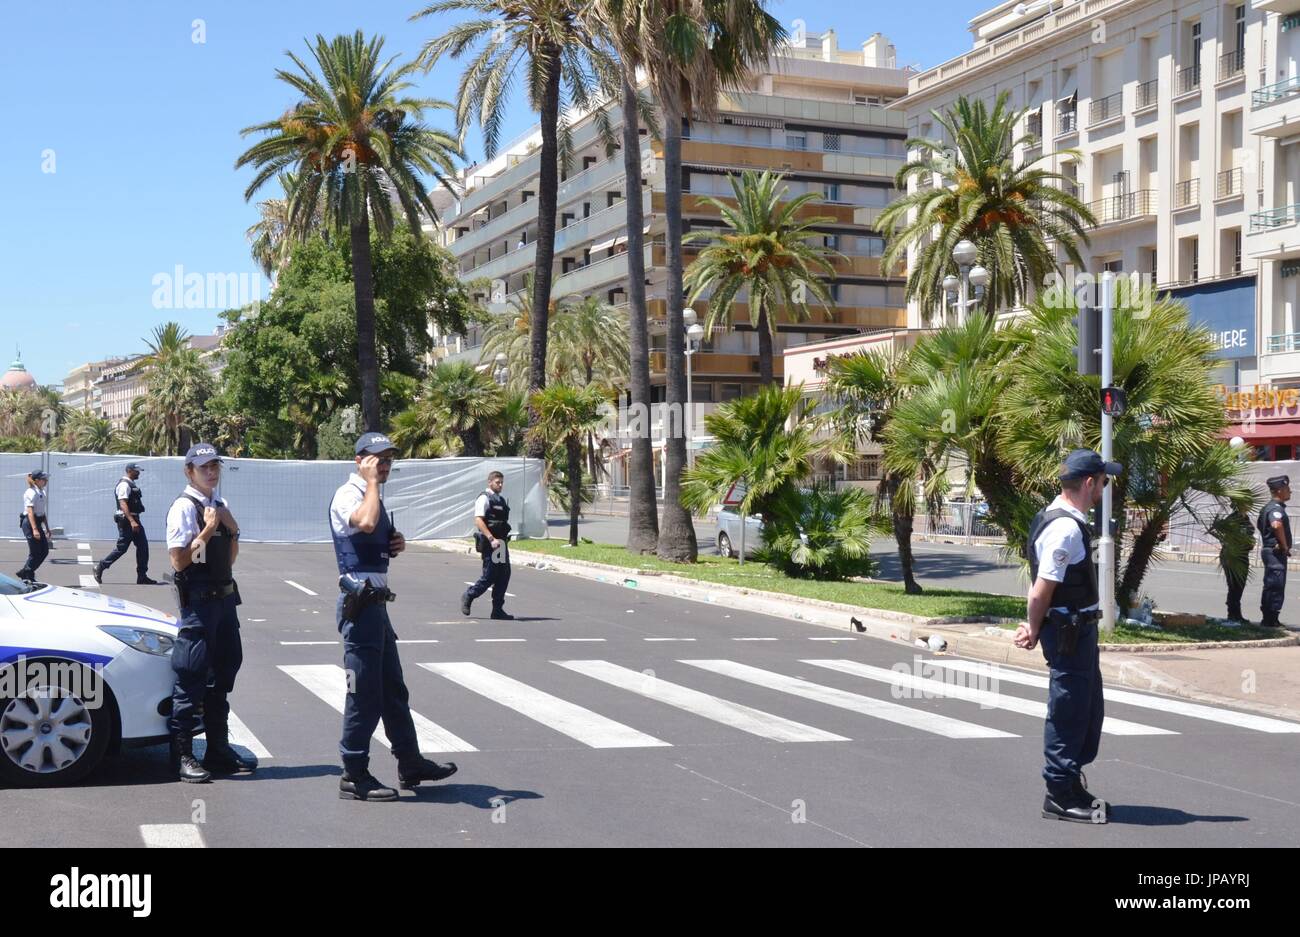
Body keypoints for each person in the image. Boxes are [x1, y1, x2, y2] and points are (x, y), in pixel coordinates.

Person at [329, 432, 458, 801]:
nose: (383, 465)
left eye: (388, 459)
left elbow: (372, 538)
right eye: (376, 459)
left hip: (377, 607)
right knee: (363, 693)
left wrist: (393, 544)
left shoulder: (373, 495)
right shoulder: (349, 494)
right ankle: (353, 773)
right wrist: (371, 484)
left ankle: (410, 761)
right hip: (360, 608)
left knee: (393, 691)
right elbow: (365, 524)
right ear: (359, 461)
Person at [1015, 448, 1122, 824]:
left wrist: (1035, 625)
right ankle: (1059, 793)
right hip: (1068, 633)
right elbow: (1041, 590)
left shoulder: (1065, 519)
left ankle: (1071, 783)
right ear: (1089, 483)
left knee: (1088, 709)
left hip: (1077, 630)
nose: (1105, 488)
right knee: (1068, 711)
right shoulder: (1063, 527)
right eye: (1104, 482)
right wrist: (1033, 626)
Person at [165, 443, 256, 783]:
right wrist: (206, 530)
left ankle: (218, 750)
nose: (211, 472)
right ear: (189, 471)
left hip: (225, 600)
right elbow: (178, 561)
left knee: (222, 676)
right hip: (199, 604)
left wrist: (231, 530)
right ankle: (184, 754)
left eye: (214, 465)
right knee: (191, 677)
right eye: (203, 467)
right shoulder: (183, 508)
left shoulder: (219, 505)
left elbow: (230, 558)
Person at [461, 470, 513, 620]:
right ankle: (469, 595)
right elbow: (478, 520)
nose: (501, 485)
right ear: (490, 482)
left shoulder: (501, 500)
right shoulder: (484, 498)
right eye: (498, 482)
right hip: (491, 543)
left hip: (501, 543)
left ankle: (497, 610)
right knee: (489, 575)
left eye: (502, 482)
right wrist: (491, 538)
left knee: (503, 575)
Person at [94, 463, 158, 585]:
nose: (139, 473)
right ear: (129, 471)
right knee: (122, 548)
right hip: (127, 520)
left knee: (143, 547)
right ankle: (100, 566)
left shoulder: (131, 484)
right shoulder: (124, 485)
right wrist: (132, 521)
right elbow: (123, 503)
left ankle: (142, 576)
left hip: (134, 519)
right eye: (136, 471)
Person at [1210, 505, 1255, 624]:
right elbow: (1225, 536)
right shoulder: (1233, 518)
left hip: (1242, 555)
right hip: (1232, 555)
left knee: (1239, 585)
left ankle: (1236, 613)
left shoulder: (1245, 518)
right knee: (1235, 585)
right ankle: (1233, 613)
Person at [1257, 475, 1291, 629]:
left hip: (1269, 550)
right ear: (1279, 490)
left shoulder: (1267, 508)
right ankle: (1271, 619)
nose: (1290, 492)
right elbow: (1276, 525)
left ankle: (1269, 618)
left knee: (1271, 584)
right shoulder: (1275, 509)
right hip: (1275, 552)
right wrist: (1284, 546)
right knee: (1275, 584)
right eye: (1287, 489)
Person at [16, 470, 51, 583]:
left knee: (44, 550)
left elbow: (42, 511)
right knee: (35, 552)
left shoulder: (42, 491)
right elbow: (30, 511)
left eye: (46, 479)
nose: (46, 481)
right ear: (36, 480)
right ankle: (28, 574)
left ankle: (26, 571)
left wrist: (47, 527)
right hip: (30, 523)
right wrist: (35, 529)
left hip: (38, 522)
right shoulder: (30, 492)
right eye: (43, 479)